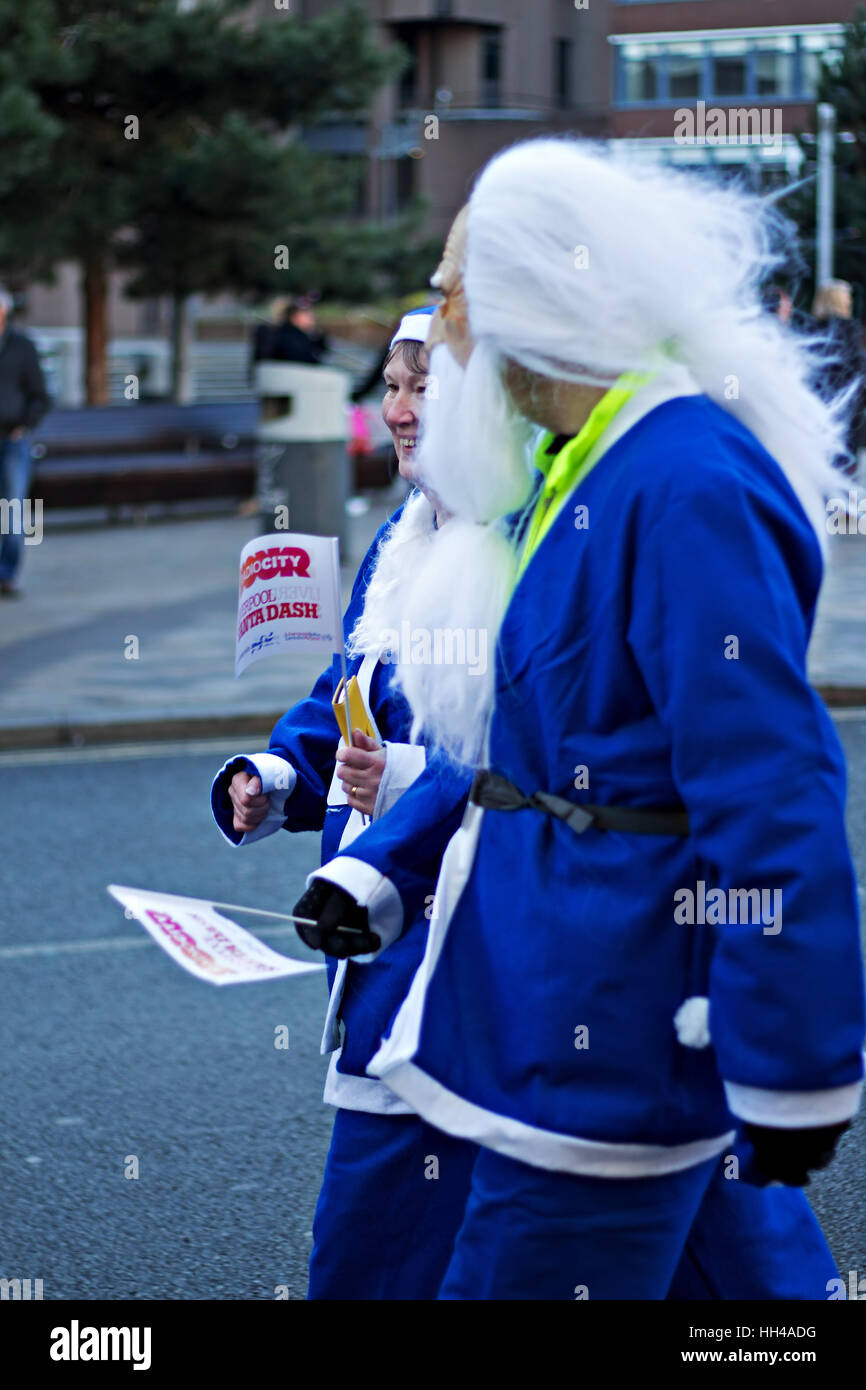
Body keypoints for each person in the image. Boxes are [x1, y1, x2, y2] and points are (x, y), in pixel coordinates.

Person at [295, 138, 865, 1300]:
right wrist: (383, 874)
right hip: (532, 1011)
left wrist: (793, 1071)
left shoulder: (680, 478)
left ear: (520, 302)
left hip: (604, 1037)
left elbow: (768, 791)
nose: (437, 325)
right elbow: (522, 763)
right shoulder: (575, 463)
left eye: (450, 292)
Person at [213, 307, 479, 1300]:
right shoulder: (403, 536)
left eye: (425, 388)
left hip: (457, 942)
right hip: (390, 927)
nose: (400, 412)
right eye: (393, 387)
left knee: (382, 1235)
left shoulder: (517, 548)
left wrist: (399, 790)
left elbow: (513, 749)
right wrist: (276, 774)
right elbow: (344, 693)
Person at [0, 286, 50, 597]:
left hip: (11, 441)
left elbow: (41, 397)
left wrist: (24, 426)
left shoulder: (22, 346)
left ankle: (6, 575)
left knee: (12, 510)